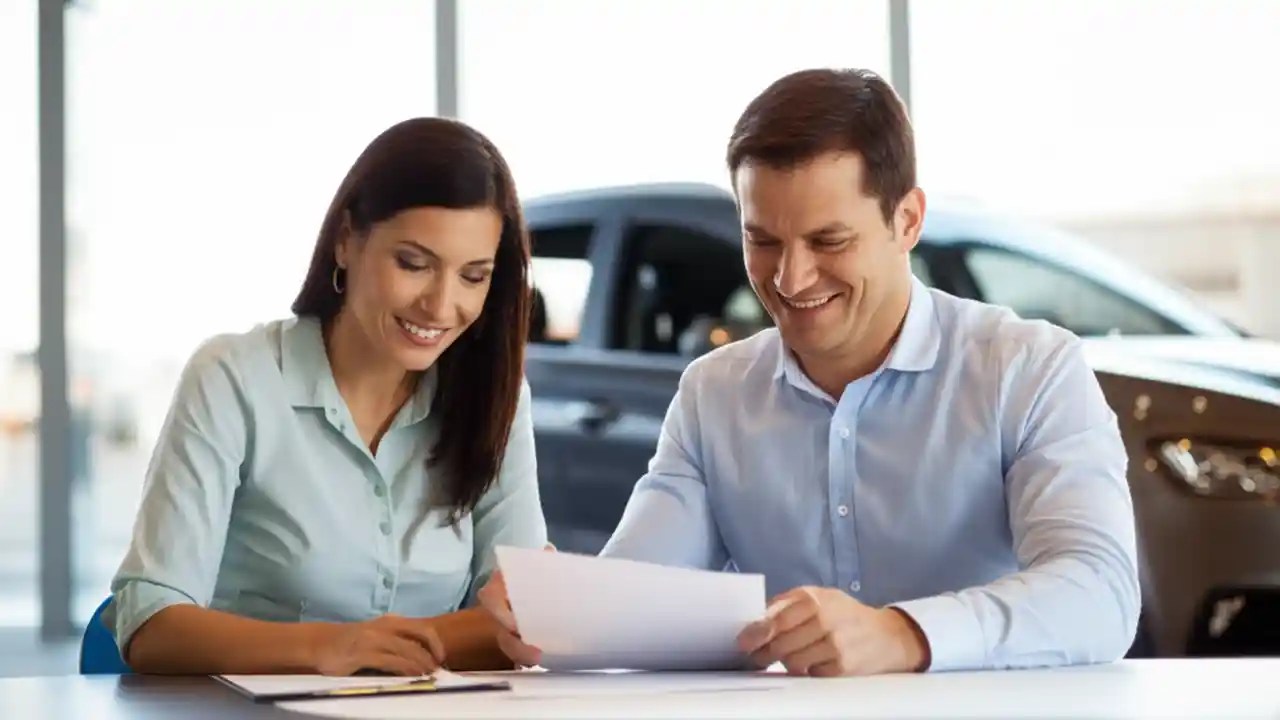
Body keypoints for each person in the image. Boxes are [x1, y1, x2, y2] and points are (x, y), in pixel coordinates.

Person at [480, 68, 1140, 676]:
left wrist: (904, 635)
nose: (789, 278)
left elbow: (1099, 593)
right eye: (762, 240)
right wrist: (562, 614)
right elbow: (640, 593)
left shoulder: (1028, 369)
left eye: (829, 241)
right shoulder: (715, 395)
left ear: (906, 220)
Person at [106, 117, 547, 675]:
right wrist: (327, 648)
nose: (440, 306)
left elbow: (521, 618)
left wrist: (382, 647)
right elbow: (151, 624)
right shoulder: (234, 377)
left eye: (473, 276)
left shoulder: (496, 398)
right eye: (413, 264)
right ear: (346, 240)